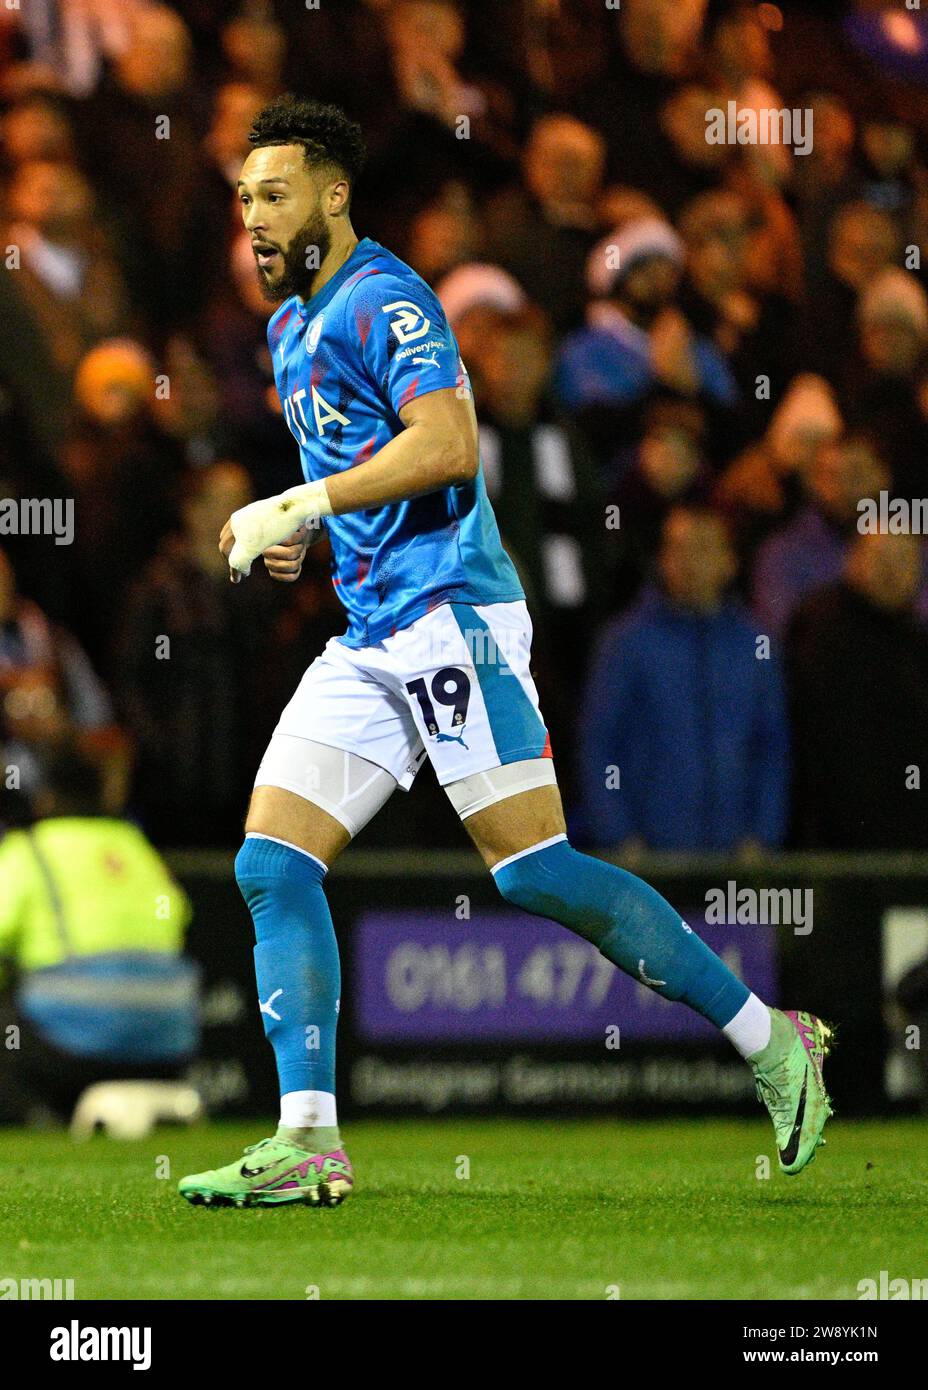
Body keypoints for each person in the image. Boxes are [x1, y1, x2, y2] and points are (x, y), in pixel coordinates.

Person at [178, 96, 833, 1210]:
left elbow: (448, 443)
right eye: (244, 197)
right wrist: (312, 533)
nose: (254, 216)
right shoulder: (287, 328)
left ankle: (771, 1039)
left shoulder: (383, 297)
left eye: (275, 194)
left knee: (531, 868)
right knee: (271, 864)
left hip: (453, 614)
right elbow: (365, 481)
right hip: (374, 630)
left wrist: (298, 497)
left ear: (334, 198)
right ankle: (306, 1142)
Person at [0, 749, 198, 1125]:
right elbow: (179, 917)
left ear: (44, 797)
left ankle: (36, 1120)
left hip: (72, 1051)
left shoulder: (29, 848)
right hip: (167, 1043)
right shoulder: (134, 844)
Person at [578, 507, 788, 856]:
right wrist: (617, 835)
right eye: (677, 549)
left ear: (729, 562)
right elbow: (599, 745)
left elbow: (772, 749)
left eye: (703, 549)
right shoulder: (626, 643)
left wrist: (763, 836)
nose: (689, 562)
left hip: (736, 859)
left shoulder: (756, 645)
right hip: (648, 861)